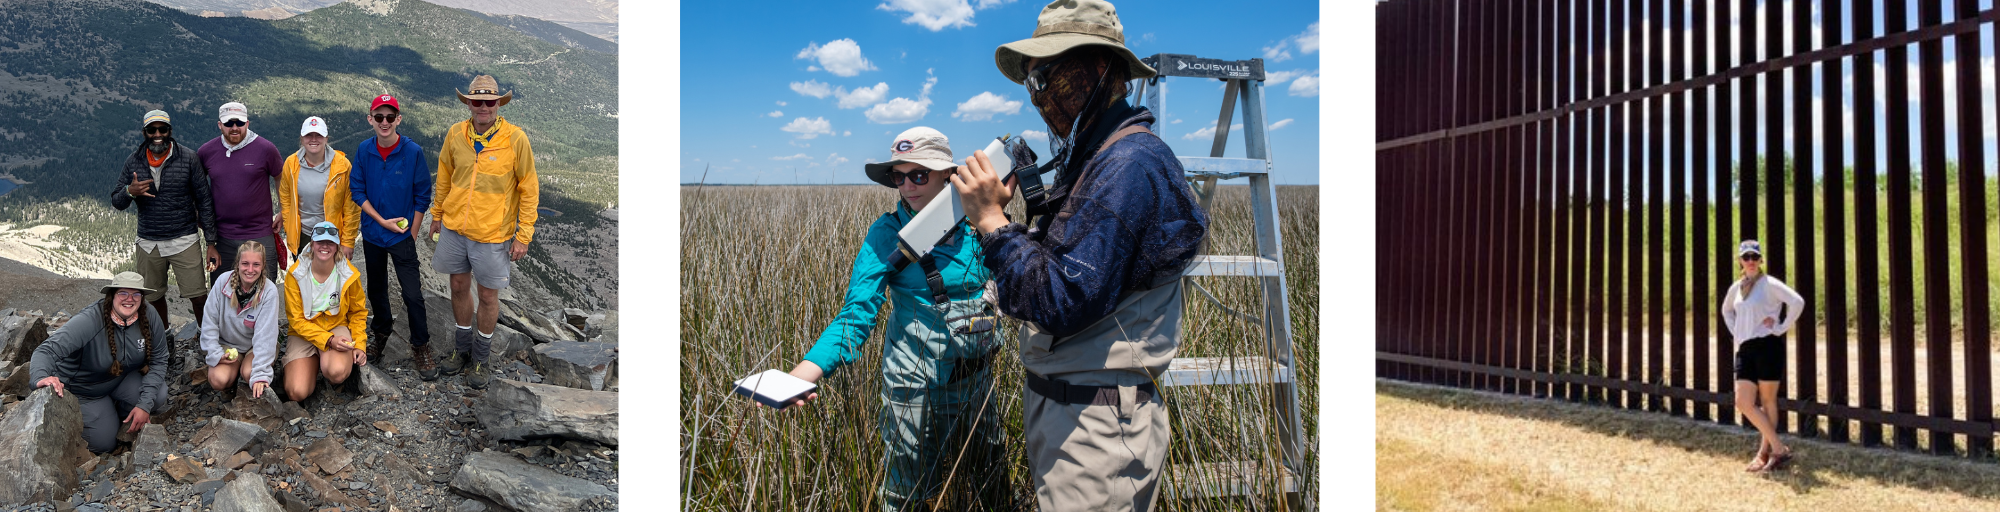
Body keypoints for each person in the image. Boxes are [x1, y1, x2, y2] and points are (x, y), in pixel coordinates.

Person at [953, 1, 1208, 508]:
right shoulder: (1104, 157)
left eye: (1046, 76)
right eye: (1032, 83)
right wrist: (1027, 201)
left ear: (1098, 69)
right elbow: (1076, 265)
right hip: (1078, 417)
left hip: (1098, 430)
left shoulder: (1129, 163)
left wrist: (991, 221)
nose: (1040, 98)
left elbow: (1058, 299)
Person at [780, 127, 1010, 510]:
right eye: (898, 176)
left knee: (992, 481)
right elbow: (855, 316)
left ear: (947, 176)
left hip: (977, 380)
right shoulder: (886, 235)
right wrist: (803, 374)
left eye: (919, 174)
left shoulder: (980, 222)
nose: (907, 186)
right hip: (913, 387)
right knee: (908, 493)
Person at [430, 75, 538, 390]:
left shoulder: (515, 139)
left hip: (493, 234)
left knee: (488, 296)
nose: (483, 107)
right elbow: (445, 176)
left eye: (489, 101)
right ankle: (462, 349)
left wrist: (523, 234)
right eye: (477, 101)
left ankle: (481, 356)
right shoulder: (455, 134)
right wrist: (437, 215)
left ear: (498, 104)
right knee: (459, 286)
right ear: (469, 103)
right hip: (454, 228)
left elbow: (529, 190)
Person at [28, 272, 170, 454]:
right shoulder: (89, 321)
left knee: (158, 394)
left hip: (119, 379)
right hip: (86, 390)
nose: (130, 299)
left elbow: (159, 359)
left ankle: (122, 411)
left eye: (136, 294)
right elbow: (46, 350)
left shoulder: (148, 315)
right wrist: (40, 377)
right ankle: (106, 415)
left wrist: (144, 405)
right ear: (112, 295)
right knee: (104, 445)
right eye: (123, 293)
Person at [349, 94, 437, 380]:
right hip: (374, 233)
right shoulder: (364, 150)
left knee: (412, 294)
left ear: (398, 119)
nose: (384, 122)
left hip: (401, 236)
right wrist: (379, 221)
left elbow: (423, 195)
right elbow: (357, 191)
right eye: (379, 117)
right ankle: (382, 333)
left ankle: (420, 344)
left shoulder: (412, 152)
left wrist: (411, 232)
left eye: (390, 117)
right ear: (370, 119)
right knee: (377, 289)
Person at [113, 110, 218, 337]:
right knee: (153, 297)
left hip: (184, 238)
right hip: (149, 242)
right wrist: (129, 192)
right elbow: (117, 201)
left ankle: (206, 336)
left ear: (170, 132)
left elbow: (205, 200)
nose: (157, 134)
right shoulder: (133, 161)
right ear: (144, 133)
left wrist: (211, 241)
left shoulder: (189, 158)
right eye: (152, 130)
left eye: (162, 129)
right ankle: (165, 337)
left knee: (198, 295)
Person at [1720, 239, 1805, 472]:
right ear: (1739, 261)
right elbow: (1726, 311)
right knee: (1743, 402)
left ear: (1760, 260)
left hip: (1768, 347)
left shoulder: (1769, 284)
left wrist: (1780, 327)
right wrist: (1735, 330)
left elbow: (1797, 302)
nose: (1750, 261)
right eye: (1745, 257)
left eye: (1754, 257)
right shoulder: (1736, 288)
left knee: (1768, 403)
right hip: (1745, 348)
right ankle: (1779, 449)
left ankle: (1764, 454)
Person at [282, 222, 369, 402]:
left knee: (337, 372)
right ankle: (313, 362)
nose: (325, 246)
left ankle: (325, 363)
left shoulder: (349, 275)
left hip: (335, 326)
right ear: (312, 244)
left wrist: (360, 344)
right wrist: (328, 341)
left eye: (330, 243)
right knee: (296, 392)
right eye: (320, 242)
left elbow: (358, 312)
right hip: (303, 332)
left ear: (337, 246)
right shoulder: (295, 275)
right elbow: (296, 320)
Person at [198, 101, 283, 282]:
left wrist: (284, 210)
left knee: (265, 288)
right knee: (222, 291)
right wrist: (199, 216)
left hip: (260, 233)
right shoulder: (206, 152)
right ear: (220, 125)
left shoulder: (266, 149)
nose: (234, 128)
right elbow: (196, 186)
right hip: (222, 237)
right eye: (229, 124)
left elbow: (280, 177)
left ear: (247, 123)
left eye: (239, 123)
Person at [198, 241, 281, 399]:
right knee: (218, 379)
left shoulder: (269, 291)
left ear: (263, 266)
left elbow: (266, 336)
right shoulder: (222, 282)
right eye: (245, 264)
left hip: (254, 347)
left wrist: (260, 374)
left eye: (256, 264)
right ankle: (234, 376)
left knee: (250, 374)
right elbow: (209, 323)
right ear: (237, 264)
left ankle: (248, 369)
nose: (250, 270)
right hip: (227, 345)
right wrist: (215, 353)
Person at [278, 116, 359, 262]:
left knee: (331, 280)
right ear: (302, 138)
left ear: (326, 138)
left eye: (318, 135)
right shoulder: (291, 164)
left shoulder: (342, 166)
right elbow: (285, 196)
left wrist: (348, 241)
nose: (313, 139)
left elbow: (351, 207)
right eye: (309, 135)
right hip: (302, 236)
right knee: (303, 280)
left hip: (332, 235)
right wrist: (288, 225)